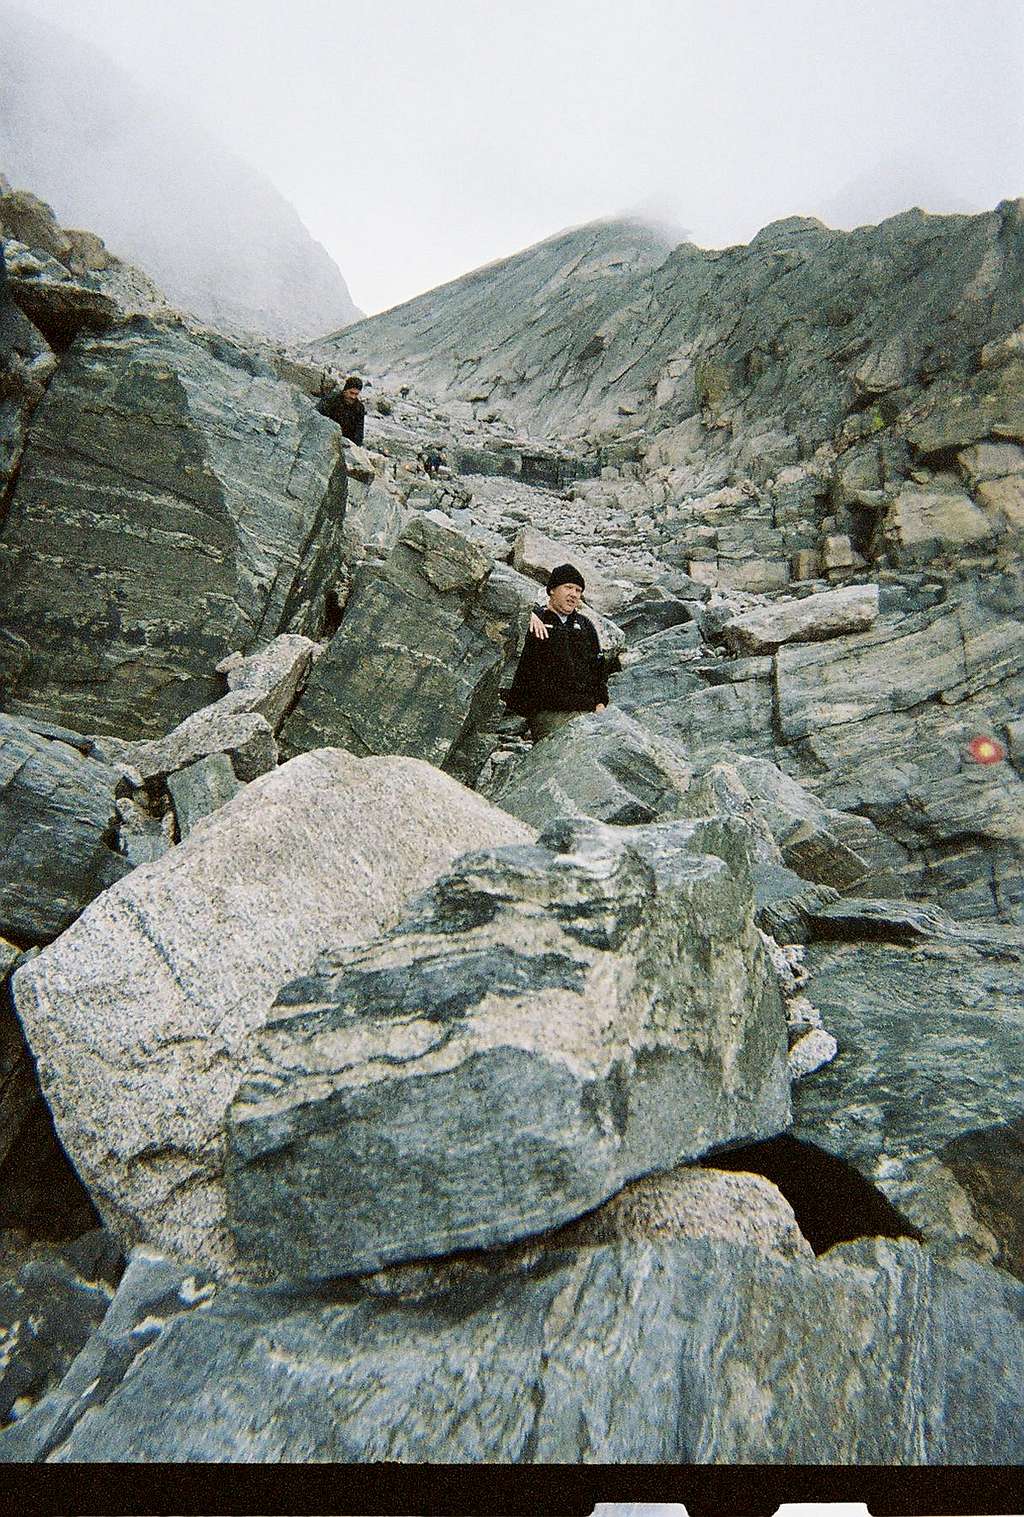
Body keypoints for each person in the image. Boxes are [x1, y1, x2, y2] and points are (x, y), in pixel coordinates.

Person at [503, 564, 609, 741]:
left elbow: (599, 670)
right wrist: (526, 613)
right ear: (552, 589)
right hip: (549, 713)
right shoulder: (535, 620)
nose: (574, 594)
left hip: (589, 709)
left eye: (578, 590)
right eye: (568, 587)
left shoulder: (585, 625)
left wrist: (600, 702)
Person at [317, 374, 366, 445]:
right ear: (345, 390)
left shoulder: (359, 408)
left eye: (356, 394)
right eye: (351, 393)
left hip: (346, 443)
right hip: (325, 436)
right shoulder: (331, 399)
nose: (353, 397)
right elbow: (317, 417)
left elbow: (359, 432)